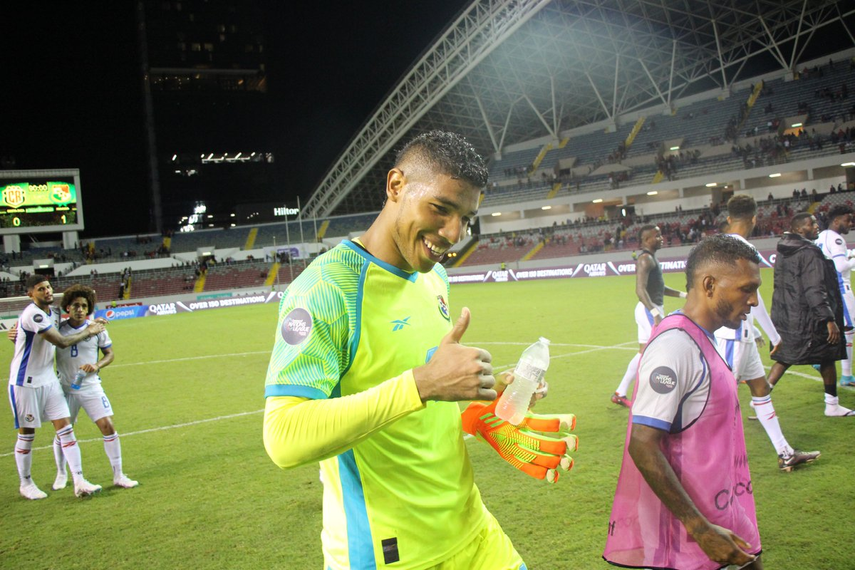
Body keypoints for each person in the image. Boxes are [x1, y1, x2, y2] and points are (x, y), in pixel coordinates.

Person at [262, 131, 576, 570]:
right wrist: (424, 383)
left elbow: (422, 406)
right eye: (441, 209)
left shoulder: (434, 279)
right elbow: (283, 438)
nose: (454, 234)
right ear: (396, 186)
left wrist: (482, 410)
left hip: (473, 529)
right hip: (391, 554)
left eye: (467, 218)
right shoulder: (325, 290)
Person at [604, 235, 764, 569]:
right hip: (687, 536)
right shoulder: (674, 348)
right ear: (709, 285)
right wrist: (699, 528)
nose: (754, 300)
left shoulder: (703, 336)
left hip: (721, 507)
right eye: (746, 289)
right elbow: (643, 443)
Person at [713, 196, 820, 471]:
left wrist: (757, 330)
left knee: (760, 390)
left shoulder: (719, 245)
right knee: (720, 400)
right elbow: (753, 298)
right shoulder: (745, 247)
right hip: (732, 336)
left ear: (728, 218)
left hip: (740, 332)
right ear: (754, 218)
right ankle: (705, 464)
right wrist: (774, 336)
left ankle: (785, 452)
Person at [8, 275, 105, 499]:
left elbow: (29, 335)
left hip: (49, 380)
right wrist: (89, 332)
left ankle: (79, 481)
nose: (47, 291)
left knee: (66, 430)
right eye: (41, 289)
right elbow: (61, 341)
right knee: (27, 435)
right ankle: (26, 483)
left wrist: (93, 324)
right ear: (30, 294)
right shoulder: (32, 313)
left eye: (49, 287)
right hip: (25, 382)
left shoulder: (53, 313)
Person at [52, 285, 138, 490]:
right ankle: (61, 473)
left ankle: (118, 475)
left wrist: (97, 365)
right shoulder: (59, 330)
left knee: (108, 426)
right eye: (75, 305)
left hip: (90, 386)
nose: (80, 309)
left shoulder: (98, 329)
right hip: (65, 388)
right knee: (62, 432)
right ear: (68, 307)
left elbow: (110, 354)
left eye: (84, 306)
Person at [768, 213, 853, 416]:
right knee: (828, 352)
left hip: (787, 314)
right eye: (811, 224)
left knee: (786, 356)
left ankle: (761, 398)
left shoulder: (783, 249)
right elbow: (815, 288)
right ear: (798, 229)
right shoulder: (810, 251)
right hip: (809, 315)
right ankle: (832, 405)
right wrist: (829, 319)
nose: (816, 226)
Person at [611, 225, 686, 407]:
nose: (661, 238)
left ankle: (620, 393)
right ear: (646, 240)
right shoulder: (645, 259)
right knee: (663, 350)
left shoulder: (651, 259)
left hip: (649, 309)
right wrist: (655, 314)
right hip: (648, 310)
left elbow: (661, 288)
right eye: (657, 235)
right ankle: (662, 393)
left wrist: (684, 295)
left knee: (643, 353)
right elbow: (639, 289)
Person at [815, 204, 855, 386]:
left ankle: (820, 358)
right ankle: (845, 375)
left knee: (836, 330)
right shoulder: (837, 239)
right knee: (849, 330)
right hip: (840, 289)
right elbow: (840, 266)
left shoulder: (822, 236)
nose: (850, 223)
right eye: (847, 220)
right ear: (836, 220)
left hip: (826, 289)